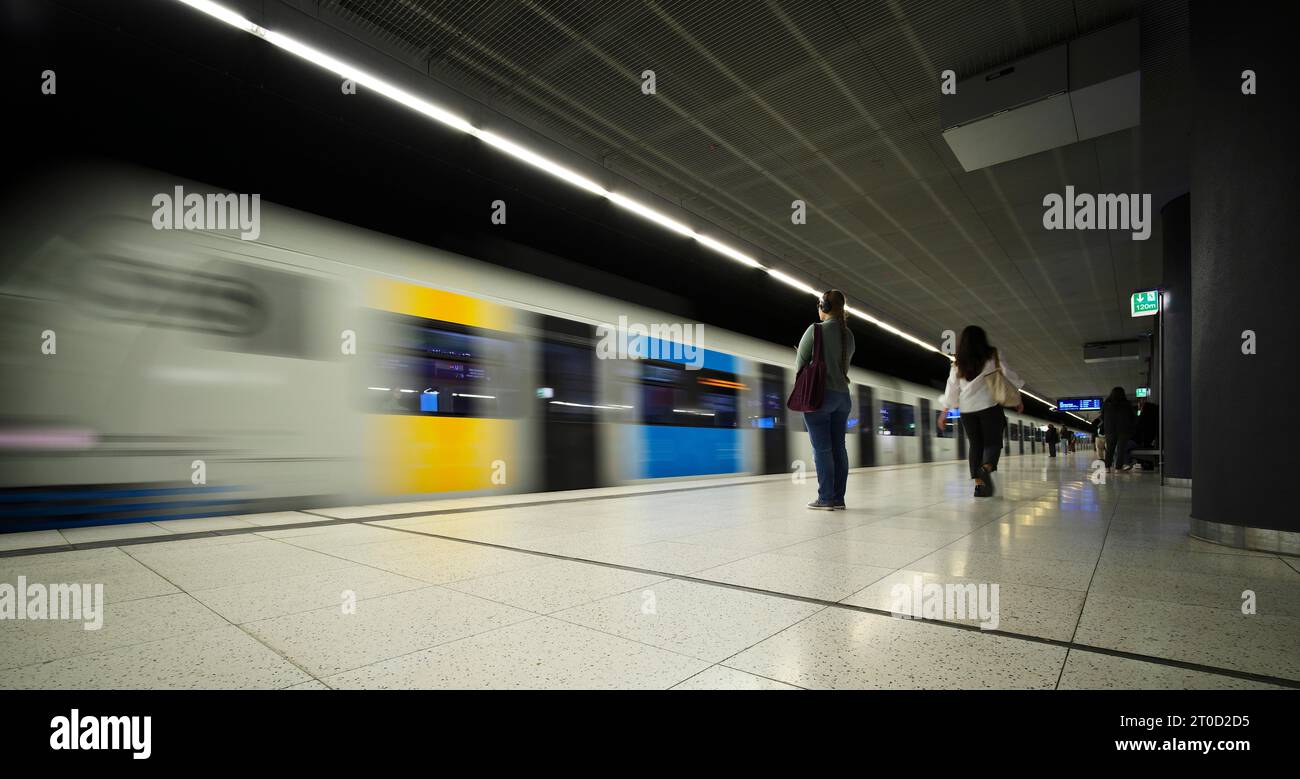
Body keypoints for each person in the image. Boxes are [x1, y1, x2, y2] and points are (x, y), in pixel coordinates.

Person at [937, 325, 1024, 497]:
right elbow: (1007, 375)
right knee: (993, 443)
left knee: (975, 445)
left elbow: (952, 388)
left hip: (967, 410)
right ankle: (986, 468)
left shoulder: (958, 363)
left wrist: (944, 411)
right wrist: (1018, 398)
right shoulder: (993, 355)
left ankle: (979, 487)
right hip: (989, 406)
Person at [797, 289, 856, 510]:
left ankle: (825, 498)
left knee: (822, 449)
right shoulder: (848, 335)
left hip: (820, 397)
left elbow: (800, 364)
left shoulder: (815, 330)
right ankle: (839, 498)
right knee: (839, 448)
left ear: (824, 307)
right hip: (843, 398)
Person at [1102, 387, 1136, 472]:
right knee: (1121, 449)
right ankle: (1118, 468)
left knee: (1110, 449)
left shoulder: (1106, 404)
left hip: (1109, 430)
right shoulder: (1127, 404)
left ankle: (1107, 468)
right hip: (1123, 430)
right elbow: (1133, 417)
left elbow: (1102, 416)